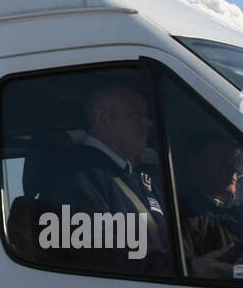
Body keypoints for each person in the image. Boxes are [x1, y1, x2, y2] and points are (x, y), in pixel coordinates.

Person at [56, 81, 172, 272]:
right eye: (136, 114)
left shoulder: (137, 179)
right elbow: (102, 256)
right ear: (102, 118)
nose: (148, 122)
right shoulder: (79, 173)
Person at [177, 133, 243, 279]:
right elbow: (190, 271)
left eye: (234, 163)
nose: (233, 170)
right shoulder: (184, 213)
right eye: (222, 163)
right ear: (195, 164)